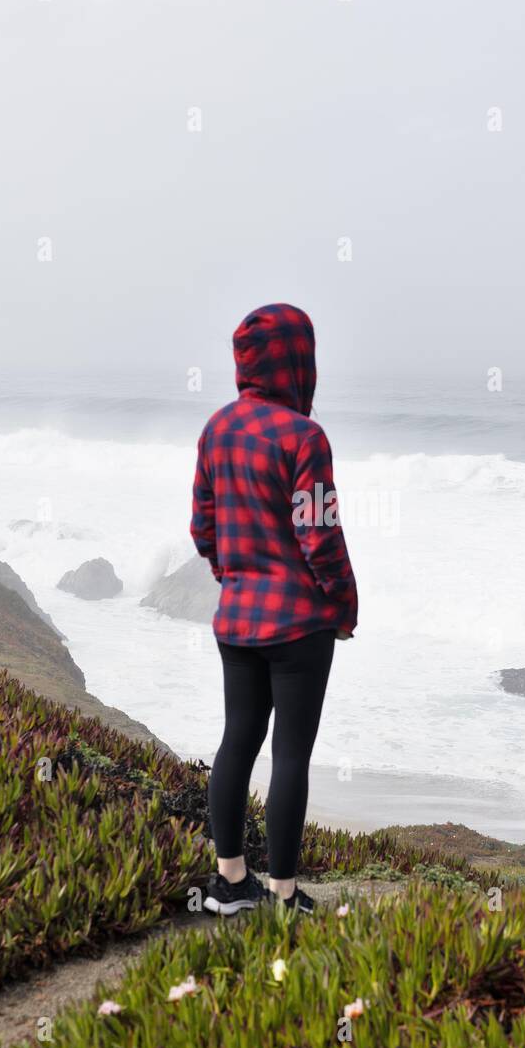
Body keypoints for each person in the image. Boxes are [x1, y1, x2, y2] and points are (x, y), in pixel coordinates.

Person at [190, 303, 358, 915]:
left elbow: (202, 527)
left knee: (238, 739)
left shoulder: (217, 429)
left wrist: (230, 576)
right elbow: (320, 535)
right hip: (298, 627)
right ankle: (285, 894)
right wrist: (342, 604)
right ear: (296, 361)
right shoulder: (305, 437)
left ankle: (230, 884)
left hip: (236, 621)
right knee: (290, 753)